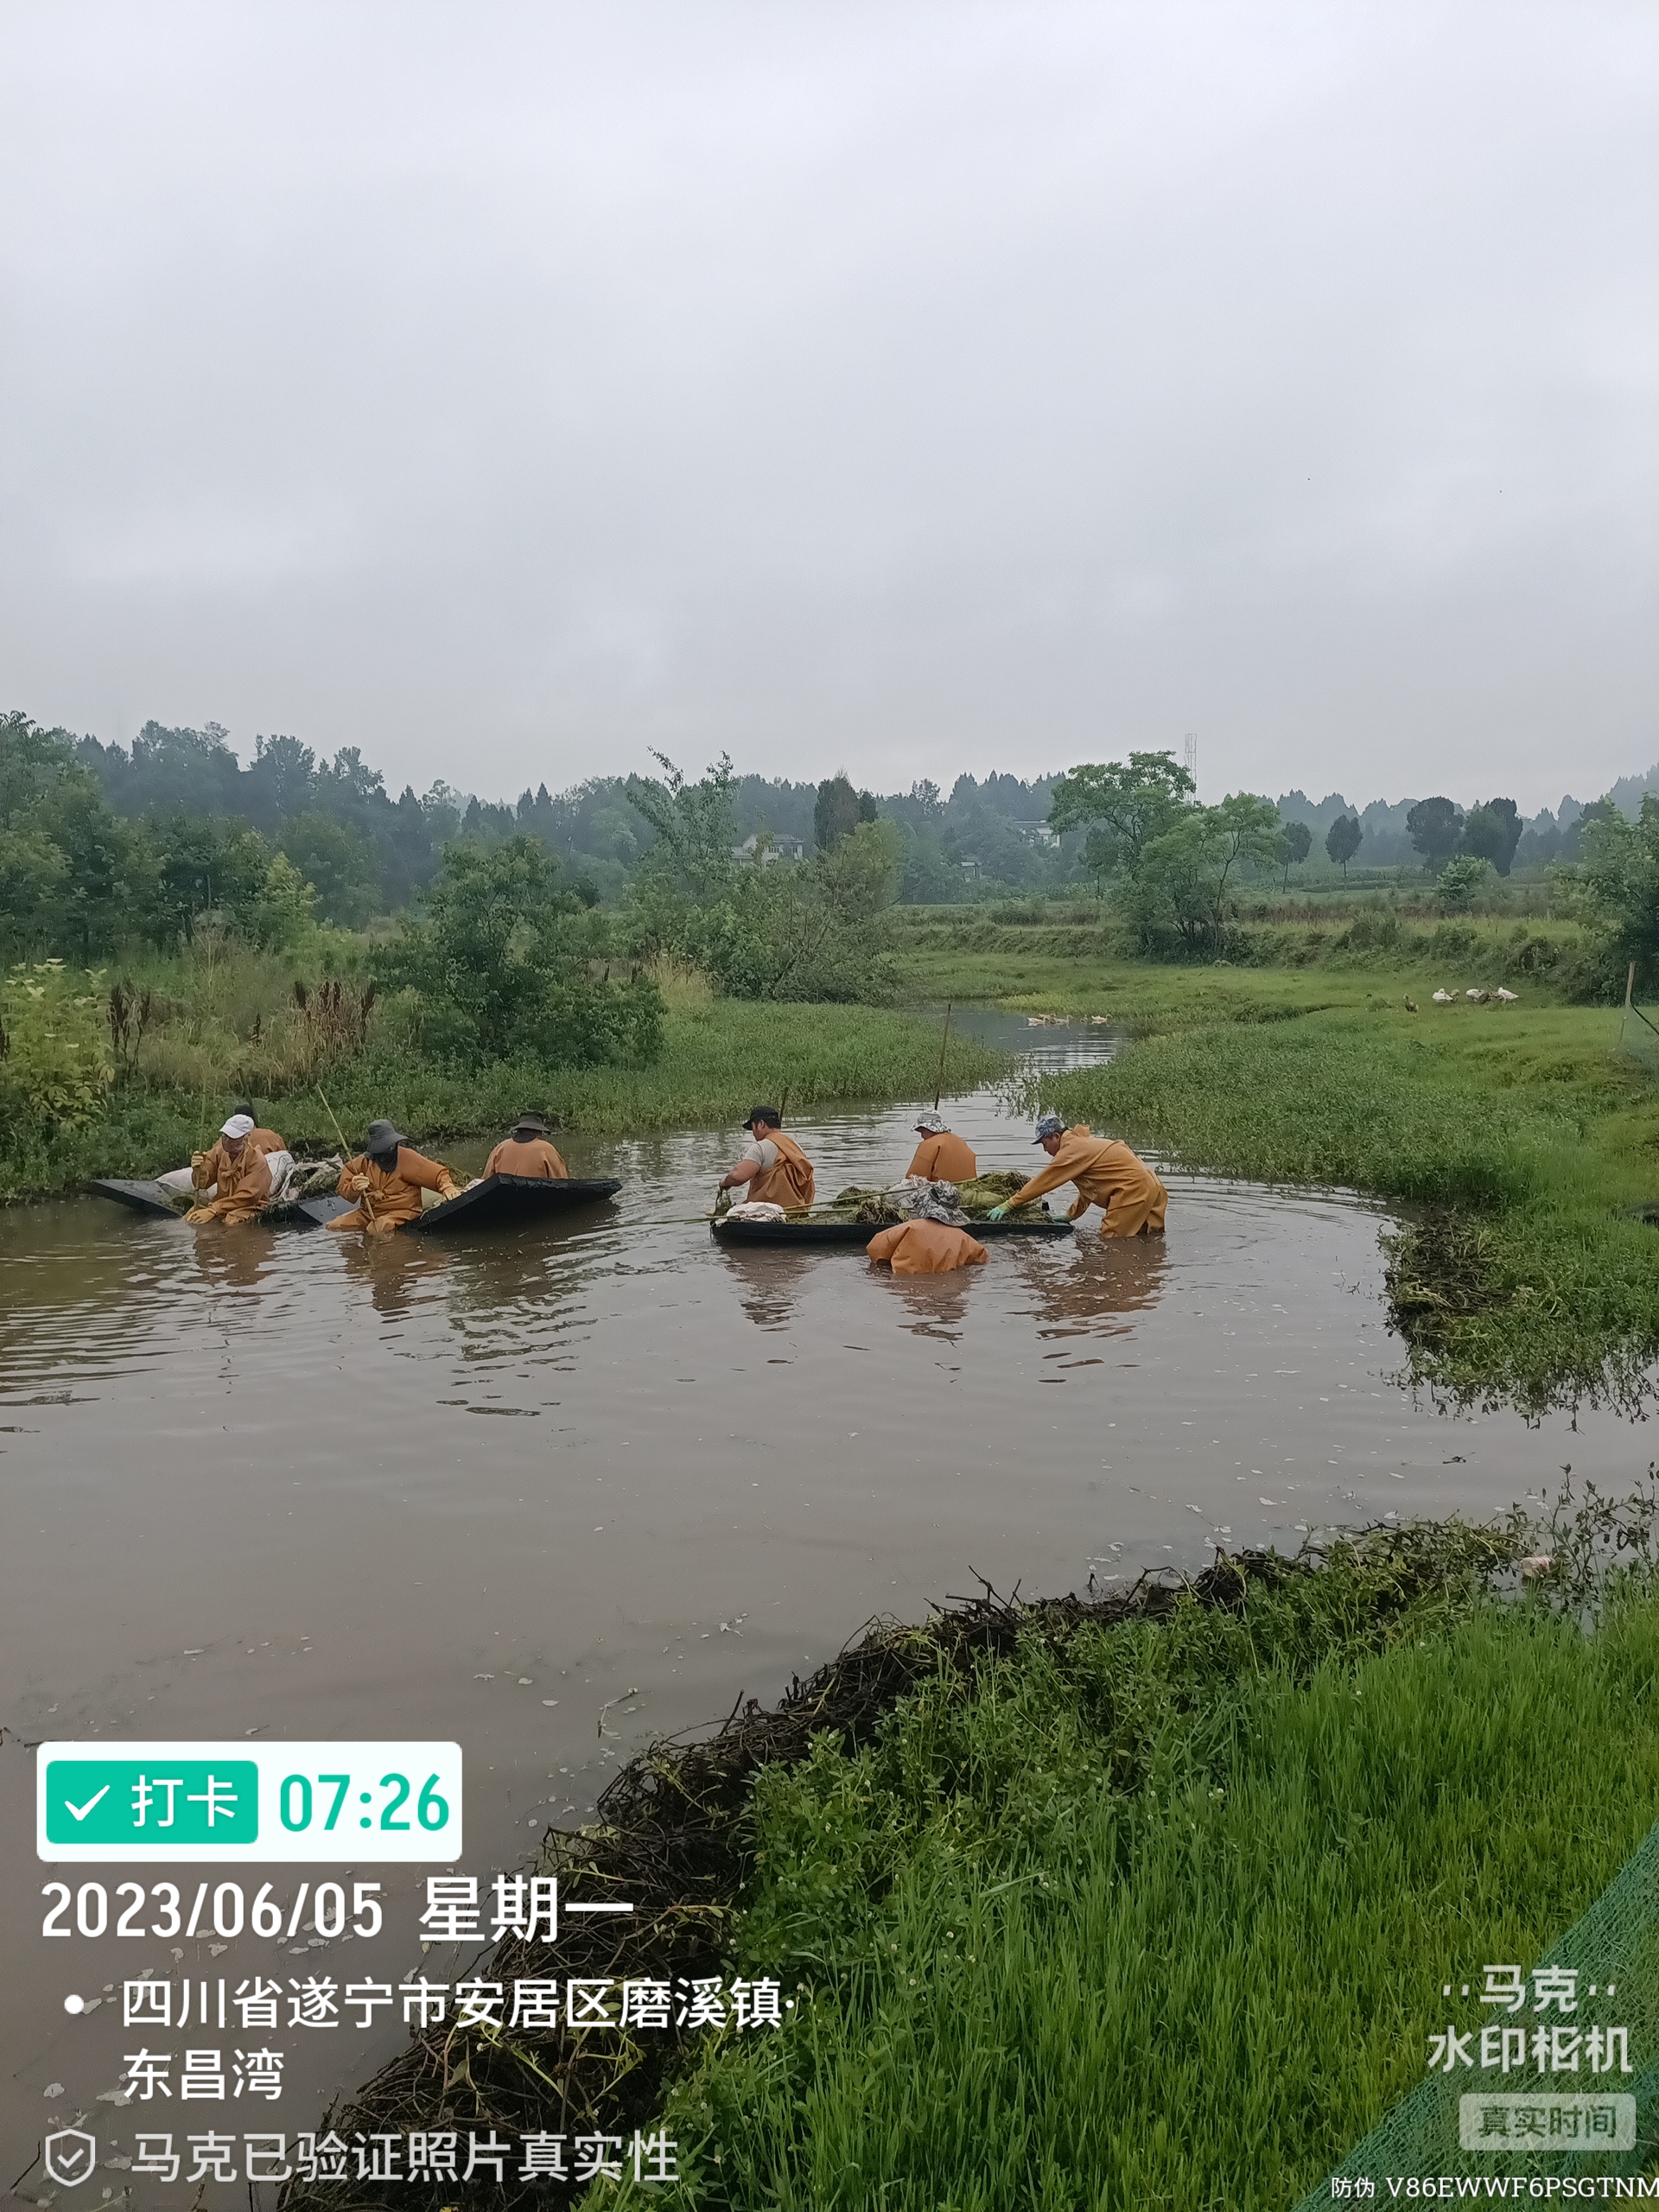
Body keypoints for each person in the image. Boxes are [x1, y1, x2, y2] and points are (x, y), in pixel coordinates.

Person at [988, 1112, 1167, 1238]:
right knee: (1149, 1239)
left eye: (1045, 1143)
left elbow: (1043, 1182)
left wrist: (1009, 1204)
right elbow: (1092, 1187)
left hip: (1133, 1189)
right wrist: (1071, 1215)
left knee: (1111, 1243)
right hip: (1152, 1184)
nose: (1045, 1150)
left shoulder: (1071, 1150)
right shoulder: (1083, 1145)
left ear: (1056, 1137)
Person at [328, 1120, 461, 1235]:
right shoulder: (362, 1163)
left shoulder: (407, 1158)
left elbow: (438, 1173)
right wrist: (354, 1187)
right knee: (335, 1226)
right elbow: (343, 1189)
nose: (390, 1149)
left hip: (403, 1211)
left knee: (379, 1228)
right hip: (368, 1213)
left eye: (392, 1145)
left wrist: (448, 1187)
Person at [186, 1109, 289, 1225]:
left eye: (233, 1137)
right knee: (191, 1215)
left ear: (246, 1138)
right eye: (225, 1136)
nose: (227, 1141)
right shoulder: (218, 1153)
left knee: (232, 1221)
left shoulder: (257, 1160)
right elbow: (202, 1184)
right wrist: (198, 1169)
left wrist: (215, 1209)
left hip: (250, 1206)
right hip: (221, 1204)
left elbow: (248, 1196)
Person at [718, 1107, 815, 1211]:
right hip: (797, 1211)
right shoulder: (797, 1147)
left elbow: (737, 1176)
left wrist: (724, 1183)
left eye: (753, 1127)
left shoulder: (761, 1147)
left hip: (769, 1214)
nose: (753, 1133)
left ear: (761, 1124)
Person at [866, 1218, 988, 1274]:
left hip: (904, 1281)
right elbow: (982, 1259)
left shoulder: (909, 1227)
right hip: (946, 1285)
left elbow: (875, 1248)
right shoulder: (964, 1238)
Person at [483, 1112, 569, 1179]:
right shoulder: (547, 1150)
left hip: (506, 1200)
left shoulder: (500, 1148)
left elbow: (486, 1182)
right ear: (540, 1132)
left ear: (519, 1130)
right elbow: (562, 1183)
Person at [905, 1112, 976, 1184]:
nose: (922, 1136)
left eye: (922, 1132)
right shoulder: (960, 1141)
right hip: (969, 1187)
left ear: (926, 1129)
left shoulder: (928, 1144)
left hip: (944, 1191)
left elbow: (914, 1180)